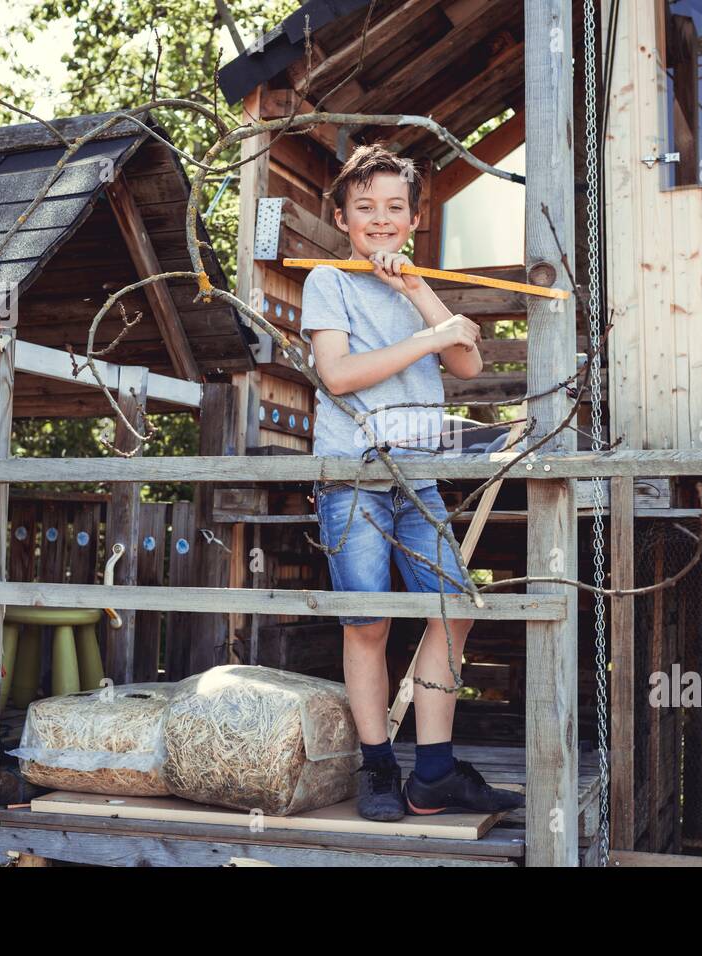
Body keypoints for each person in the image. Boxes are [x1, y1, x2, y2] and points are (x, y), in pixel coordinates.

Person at [300, 144, 526, 821]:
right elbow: (337, 375)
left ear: (413, 220)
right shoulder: (327, 282)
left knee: (453, 609)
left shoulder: (416, 282)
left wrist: (422, 297)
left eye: (394, 208)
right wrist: (434, 337)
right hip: (355, 478)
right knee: (367, 625)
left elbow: (464, 361)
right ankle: (377, 769)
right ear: (343, 217)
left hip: (418, 479)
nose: (380, 219)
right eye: (364, 207)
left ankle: (433, 773)